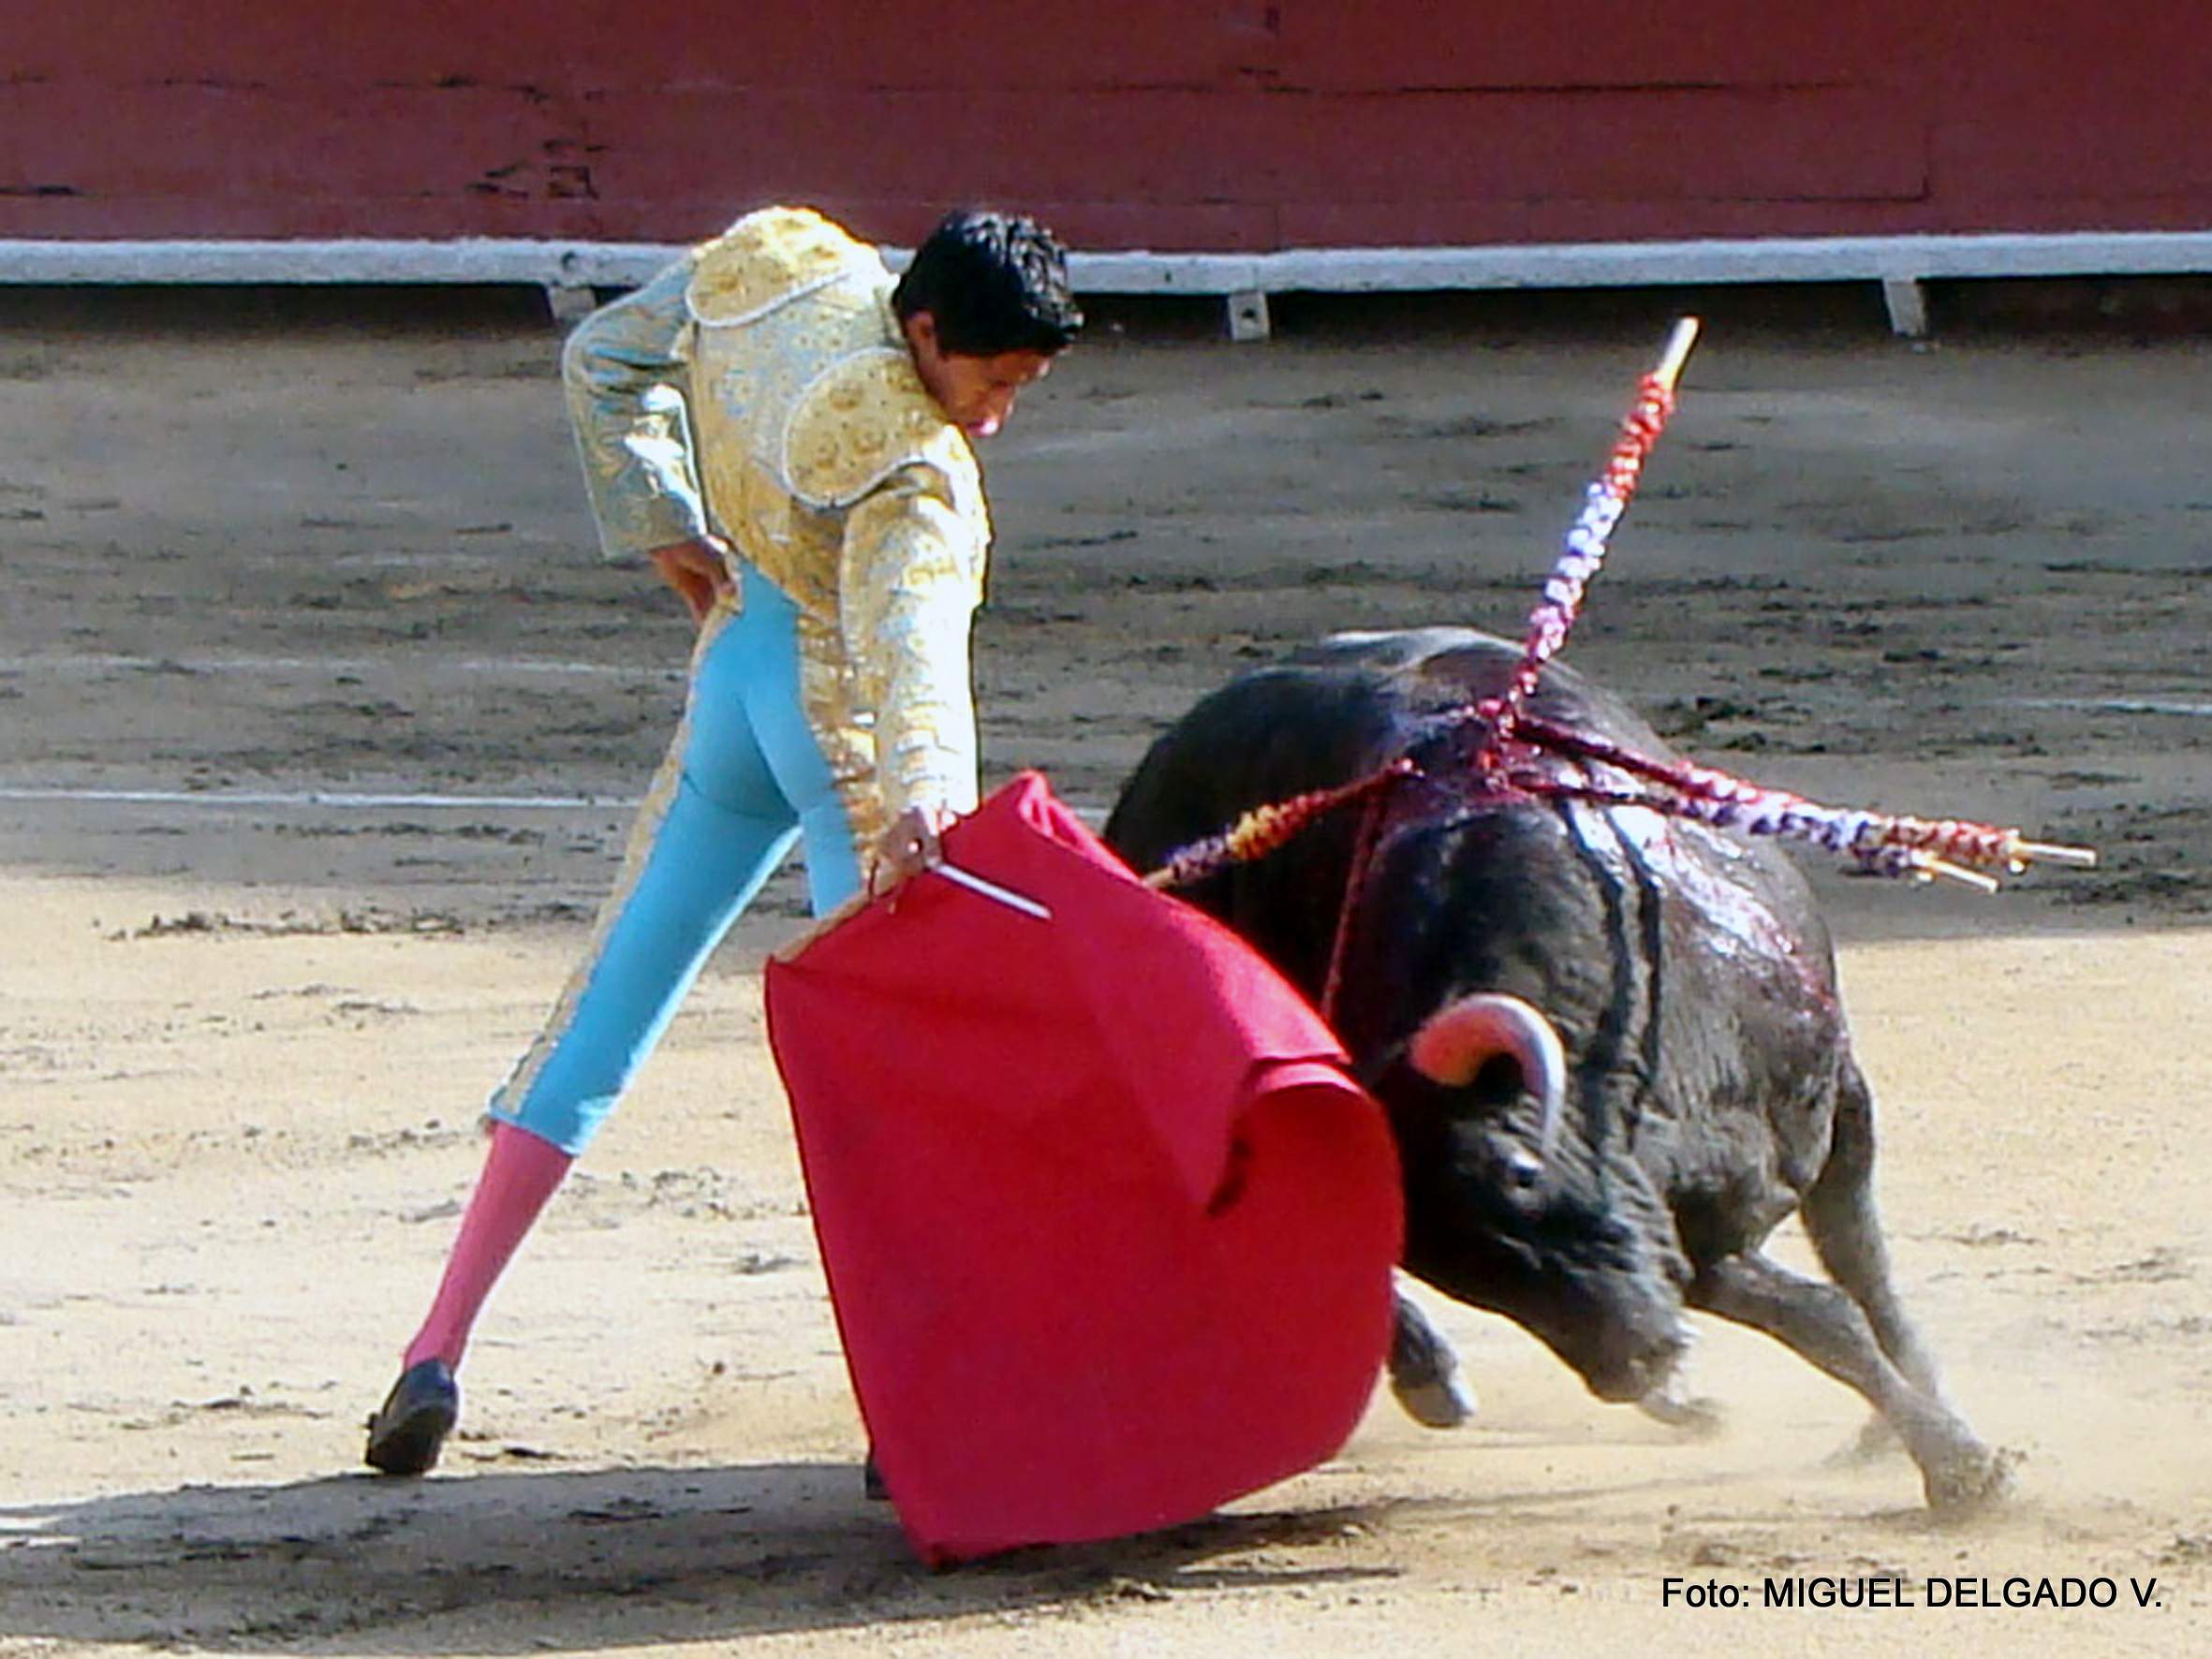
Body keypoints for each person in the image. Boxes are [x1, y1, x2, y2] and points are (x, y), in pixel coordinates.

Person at [363, 205, 1083, 1475]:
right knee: (884, 1082)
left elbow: (601, 359)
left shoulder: (781, 261)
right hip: (837, 743)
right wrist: (926, 800)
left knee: (604, 1012)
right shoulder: (914, 464)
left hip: (732, 682)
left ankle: (432, 1348)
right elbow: (912, 645)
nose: (994, 415)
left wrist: (663, 519)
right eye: (992, 379)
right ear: (925, 331)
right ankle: (902, 1407)